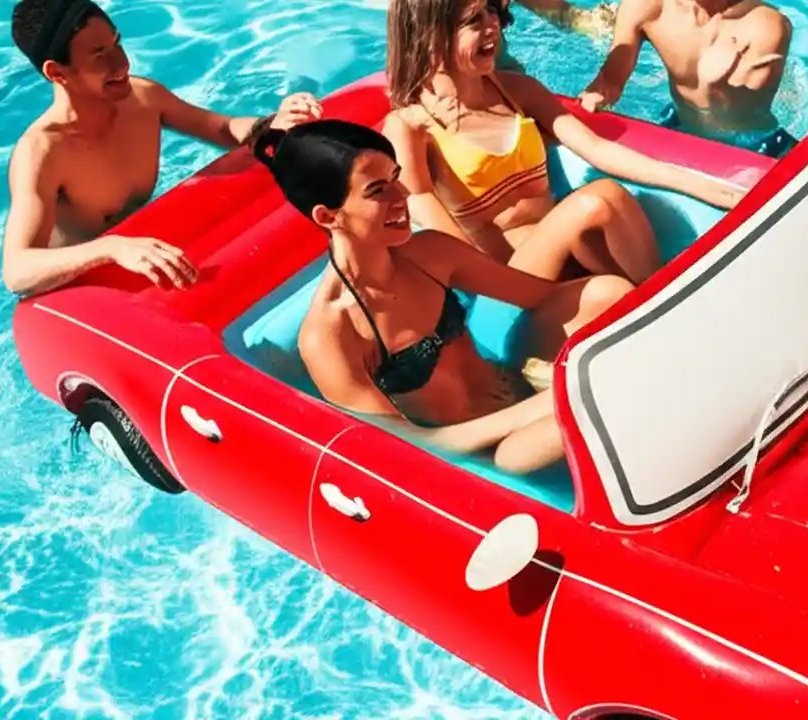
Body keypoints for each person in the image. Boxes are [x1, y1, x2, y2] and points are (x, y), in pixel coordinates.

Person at [253, 119, 633, 474]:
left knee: (605, 292)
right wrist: (546, 404)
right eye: (378, 191)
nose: (403, 196)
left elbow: (544, 297)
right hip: (489, 449)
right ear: (327, 216)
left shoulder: (430, 253)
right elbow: (409, 444)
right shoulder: (330, 335)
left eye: (396, 178)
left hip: (518, 385)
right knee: (574, 418)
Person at [381, 0, 741, 285]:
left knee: (609, 242)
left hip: (560, 245)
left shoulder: (517, 91)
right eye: (474, 20)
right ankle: (661, 298)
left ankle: (658, 292)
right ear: (431, 36)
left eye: (492, 10)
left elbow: (597, 149)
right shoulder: (411, 126)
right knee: (597, 201)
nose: (493, 25)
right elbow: (438, 235)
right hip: (506, 275)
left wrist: (702, 185)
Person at [3, 0, 322, 297]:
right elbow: (16, 271)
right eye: (100, 54)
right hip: (82, 291)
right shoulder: (43, 152)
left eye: (117, 43)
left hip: (145, 264)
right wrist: (111, 248)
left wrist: (272, 124)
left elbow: (222, 128)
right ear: (57, 72)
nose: (122, 63)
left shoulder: (143, 99)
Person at [579, 0, 794, 158]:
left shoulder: (764, 23)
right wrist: (598, 95)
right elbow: (611, 79)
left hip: (759, 145)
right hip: (680, 127)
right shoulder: (647, 7)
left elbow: (745, 108)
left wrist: (715, 87)